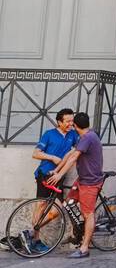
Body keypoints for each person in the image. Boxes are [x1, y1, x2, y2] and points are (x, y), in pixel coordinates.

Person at [23, 108, 78, 253]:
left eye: (72, 120)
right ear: (59, 122)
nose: (70, 124)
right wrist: (52, 157)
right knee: (41, 205)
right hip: (44, 174)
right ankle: (35, 239)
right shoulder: (49, 134)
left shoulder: (73, 134)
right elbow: (36, 153)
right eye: (67, 121)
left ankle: (30, 232)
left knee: (57, 210)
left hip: (59, 177)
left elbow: (79, 148)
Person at [52, 112, 104, 260]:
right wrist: (56, 170)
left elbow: (74, 157)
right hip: (82, 180)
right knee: (68, 204)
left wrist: (59, 175)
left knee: (88, 214)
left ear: (75, 126)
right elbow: (71, 154)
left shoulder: (88, 138)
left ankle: (84, 248)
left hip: (90, 182)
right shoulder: (87, 135)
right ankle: (79, 232)